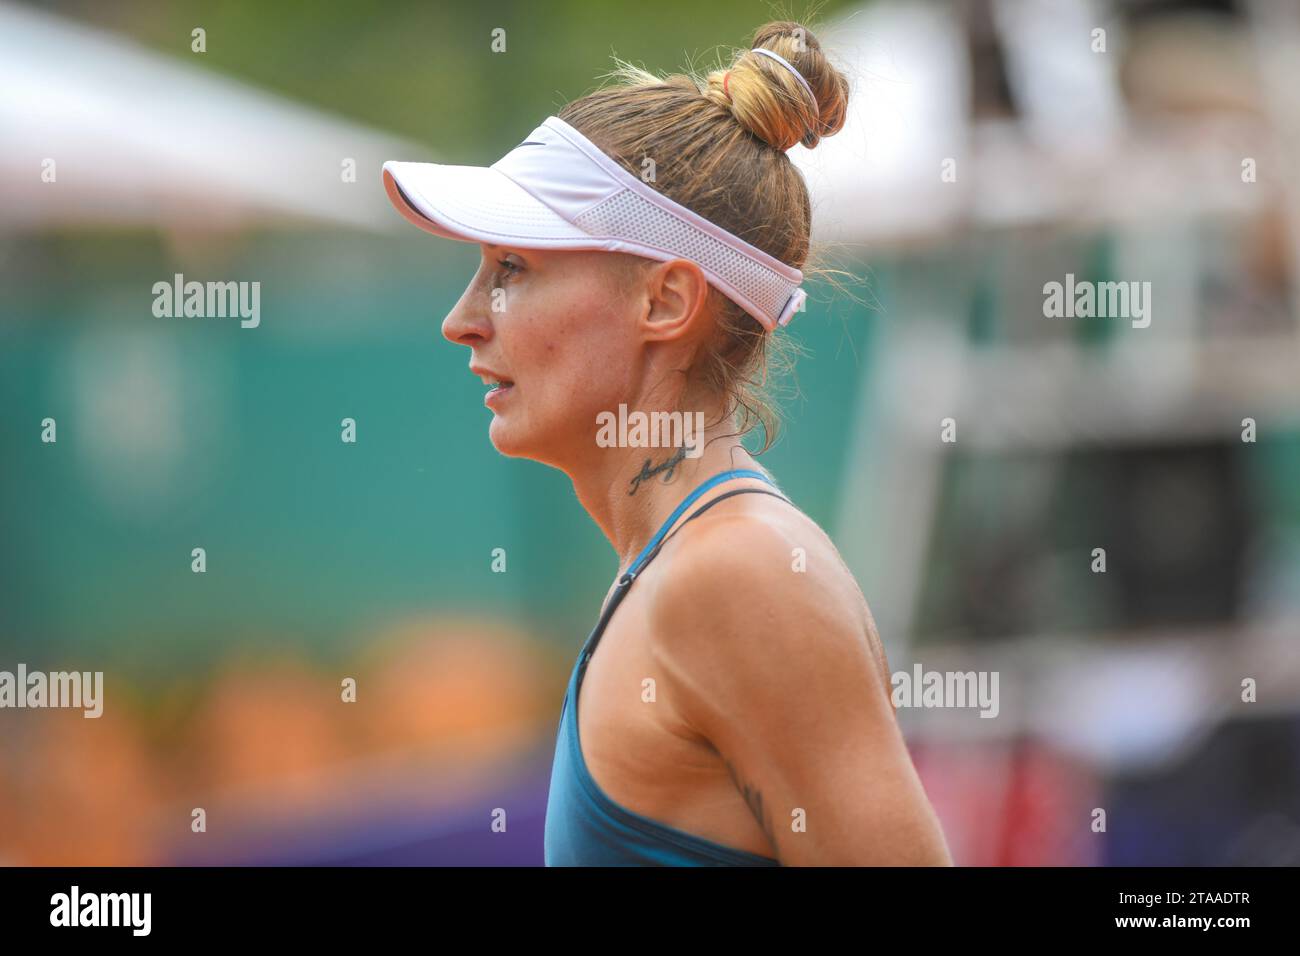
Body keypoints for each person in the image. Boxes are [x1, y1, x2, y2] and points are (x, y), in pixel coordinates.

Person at [382, 19, 953, 866]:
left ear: (666, 302)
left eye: (512, 270)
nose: (461, 321)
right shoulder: (685, 566)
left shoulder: (735, 577)